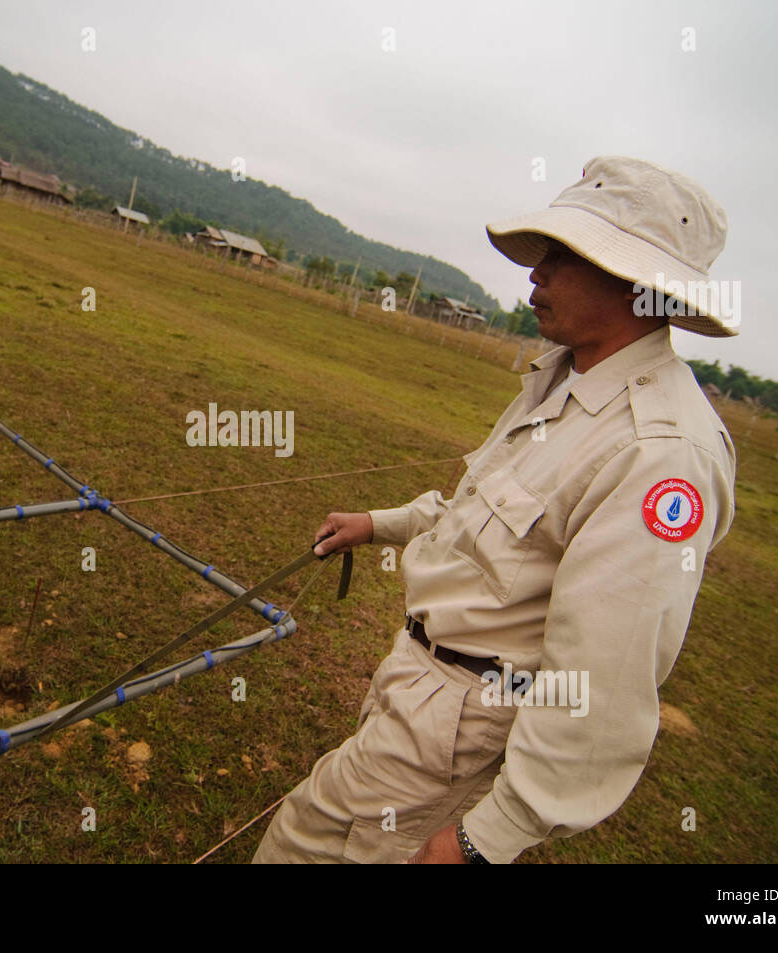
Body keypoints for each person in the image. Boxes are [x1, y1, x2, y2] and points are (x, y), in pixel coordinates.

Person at [253, 156, 738, 864]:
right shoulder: (561, 378)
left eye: (564, 254)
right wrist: (379, 524)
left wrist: (483, 840)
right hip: (418, 693)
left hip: (462, 728)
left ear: (639, 282)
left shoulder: (661, 450)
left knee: (296, 845)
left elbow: (602, 681)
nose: (536, 271)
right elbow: (480, 515)